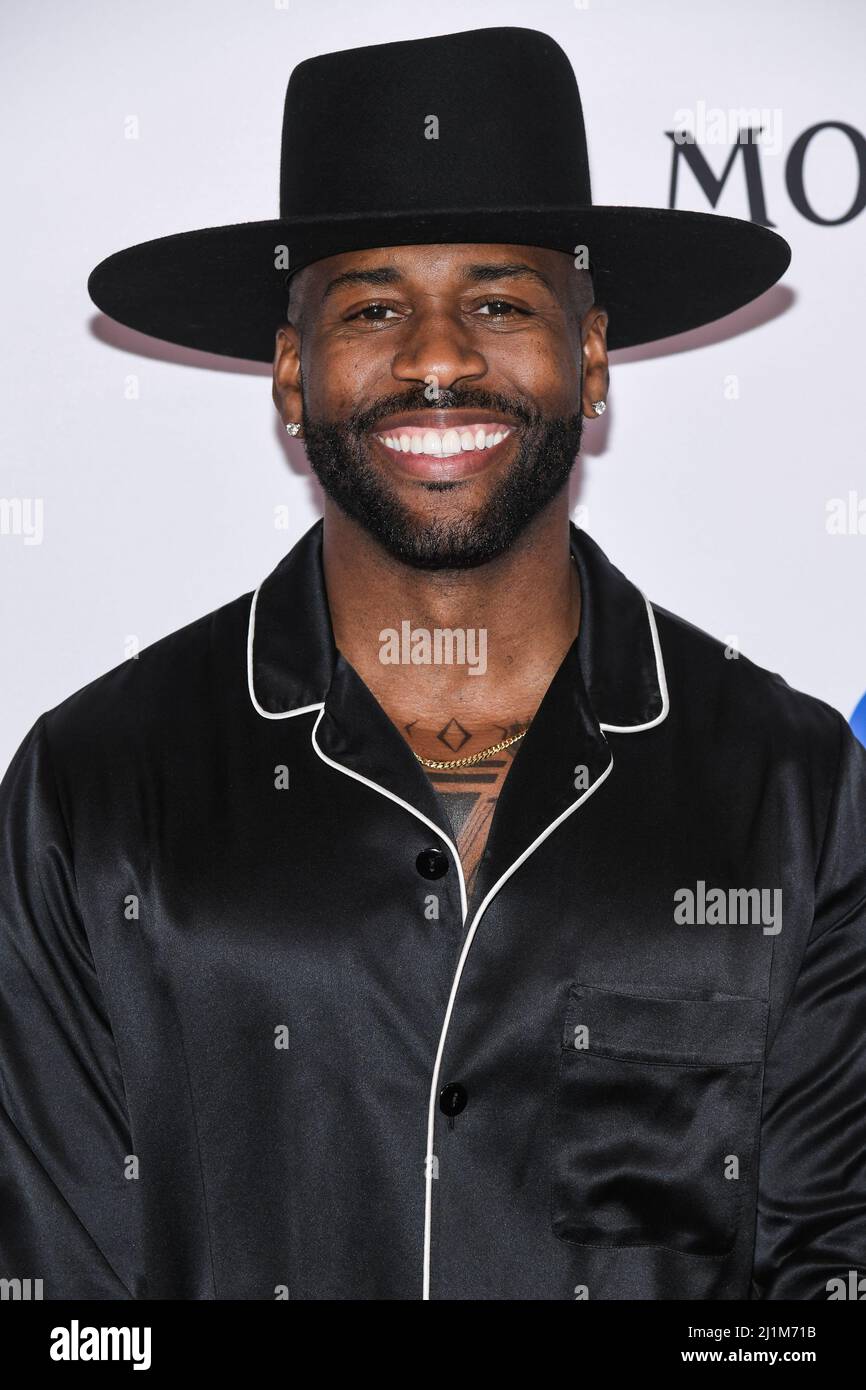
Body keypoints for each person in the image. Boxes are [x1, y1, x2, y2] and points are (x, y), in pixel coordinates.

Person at [1, 27, 863, 1301]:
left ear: (591, 354)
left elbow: (820, 1283)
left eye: (501, 302)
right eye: (373, 308)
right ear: (292, 375)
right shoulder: (95, 790)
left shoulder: (792, 793)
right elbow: (65, 1315)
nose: (439, 358)